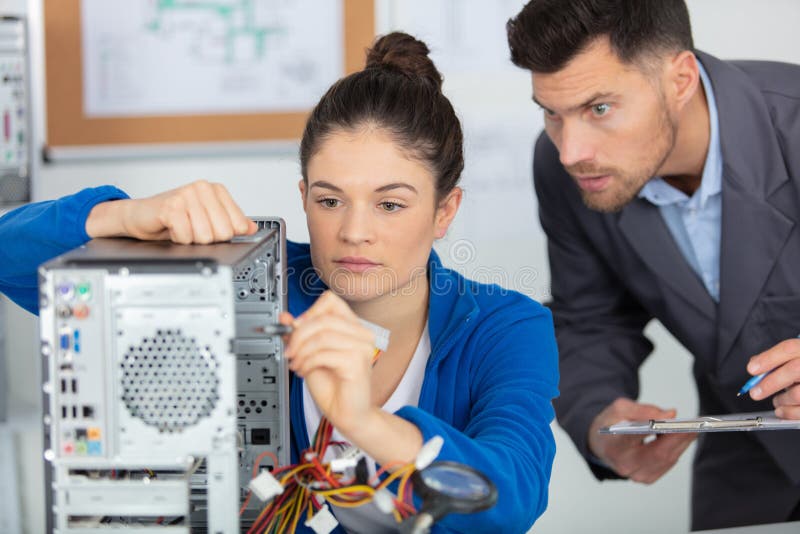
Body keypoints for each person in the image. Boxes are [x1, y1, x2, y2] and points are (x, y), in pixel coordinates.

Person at [0, 33, 559, 533]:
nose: (354, 232)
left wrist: (363, 421)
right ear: (303, 198)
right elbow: (10, 258)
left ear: (444, 211)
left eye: (390, 204)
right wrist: (122, 217)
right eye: (330, 200)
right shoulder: (246, 285)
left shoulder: (504, 326)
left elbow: (510, 498)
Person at [506, 0, 800, 530]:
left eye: (598, 108)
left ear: (680, 79)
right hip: (748, 461)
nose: (571, 151)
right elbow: (590, 318)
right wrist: (597, 418)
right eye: (551, 112)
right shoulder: (562, 168)